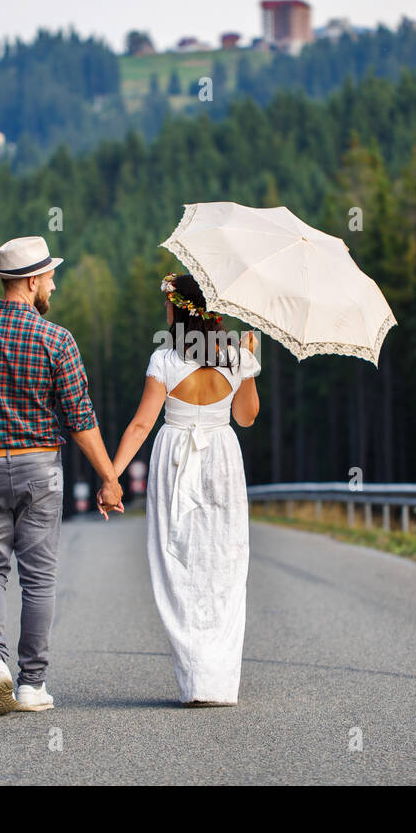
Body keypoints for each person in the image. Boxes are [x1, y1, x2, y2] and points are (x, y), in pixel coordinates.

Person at [0, 235, 124, 717]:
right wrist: (109, 478)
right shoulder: (56, 339)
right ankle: (31, 684)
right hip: (40, 466)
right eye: (51, 277)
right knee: (38, 578)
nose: (54, 286)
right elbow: (81, 420)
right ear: (34, 280)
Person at [111, 273, 261, 706]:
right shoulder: (236, 357)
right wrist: (248, 364)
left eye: (168, 307)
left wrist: (113, 476)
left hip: (175, 455)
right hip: (222, 458)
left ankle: (196, 680)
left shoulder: (165, 360)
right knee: (226, 563)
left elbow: (142, 424)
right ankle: (218, 683)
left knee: (177, 562)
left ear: (178, 311)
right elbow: (247, 418)